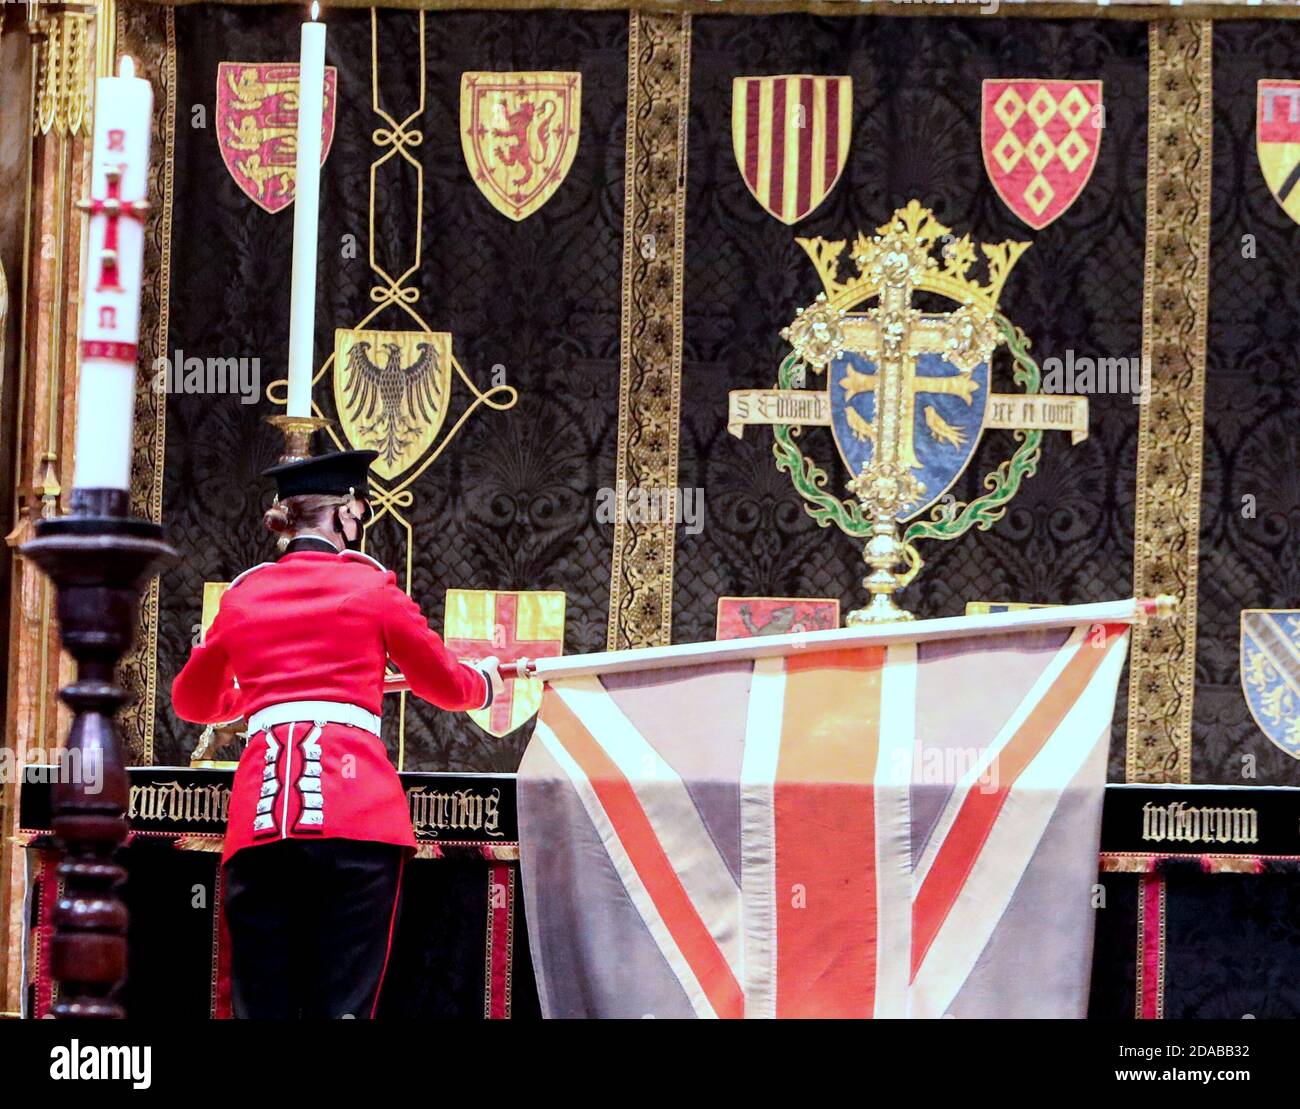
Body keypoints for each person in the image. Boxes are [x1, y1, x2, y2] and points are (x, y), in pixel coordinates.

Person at [171, 448, 504, 1019]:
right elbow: (446, 684)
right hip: (356, 820)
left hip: (263, 825)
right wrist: (486, 685)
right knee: (345, 1005)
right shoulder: (372, 588)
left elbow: (192, 702)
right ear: (346, 511)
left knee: (262, 1006)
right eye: (361, 510)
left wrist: (250, 698)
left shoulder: (243, 596)